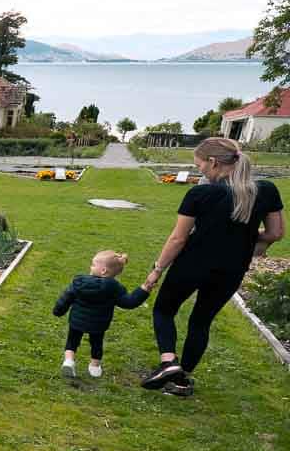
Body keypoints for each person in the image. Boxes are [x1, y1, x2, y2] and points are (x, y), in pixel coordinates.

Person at [141, 137, 284, 396]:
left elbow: (178, 239)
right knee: (201, 321)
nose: (201, 171)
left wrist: (157, 269)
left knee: (164, 310)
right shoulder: (265, 190)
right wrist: (246, 239)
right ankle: (181, 381)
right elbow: (275, 233)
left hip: (192, 264)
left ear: (213, 162)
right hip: (232, 269)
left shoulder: (201, 194)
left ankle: (168, 363)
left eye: (200, 166)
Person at [53, 250, 151, 378]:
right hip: (98, 324)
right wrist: (144, 289)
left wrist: (58, 310)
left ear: (103, 270)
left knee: (72, 340)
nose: (90, 267)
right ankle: (94, 366)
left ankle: (69, 361)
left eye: (93, 264)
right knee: (97, 344)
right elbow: (129, 302)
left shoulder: (79, 282)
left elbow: (66, 297)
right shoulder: (114, 288)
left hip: (77, 321)